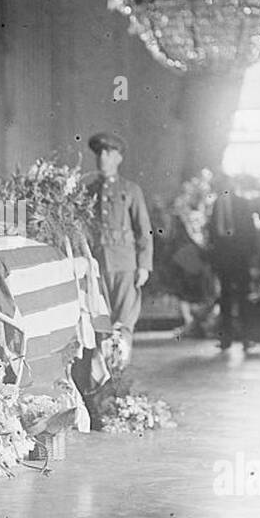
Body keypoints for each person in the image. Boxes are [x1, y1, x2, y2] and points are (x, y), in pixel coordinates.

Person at [85, 132, 153, 363]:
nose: (102, 157)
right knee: (100, 319)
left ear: (118, 158)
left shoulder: (131, 190)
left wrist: (144, 265)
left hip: (125, 263)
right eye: (99, 153)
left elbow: (144, 230)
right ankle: (103, 377)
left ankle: (118, 374)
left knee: (123, 322)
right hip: (98, 264)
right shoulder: (89, 192)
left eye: (108, 153)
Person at [207, 173, 260, 351]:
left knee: (244, 296)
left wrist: (252, 257)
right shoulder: (216, 205)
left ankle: (247, 337)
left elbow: (250, 231)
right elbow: (213, 233)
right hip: (223, 257)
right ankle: (226, 338)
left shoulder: (243, 203)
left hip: (240, 257)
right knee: (225, 298)